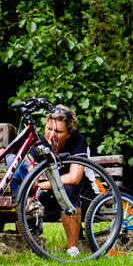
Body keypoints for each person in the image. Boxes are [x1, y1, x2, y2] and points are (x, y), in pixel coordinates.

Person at [35, 104, 94, 257]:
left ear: (69, 133)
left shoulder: (78, 141)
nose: (52, 135)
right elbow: (32, 180)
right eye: (49, 129)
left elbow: (74, 178)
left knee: (68, 189)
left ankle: (72, 249)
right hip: (50, 196)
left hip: (84, 196)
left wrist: (44, 185)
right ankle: (30, 245)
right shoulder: (40, 144)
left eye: (58, 131)